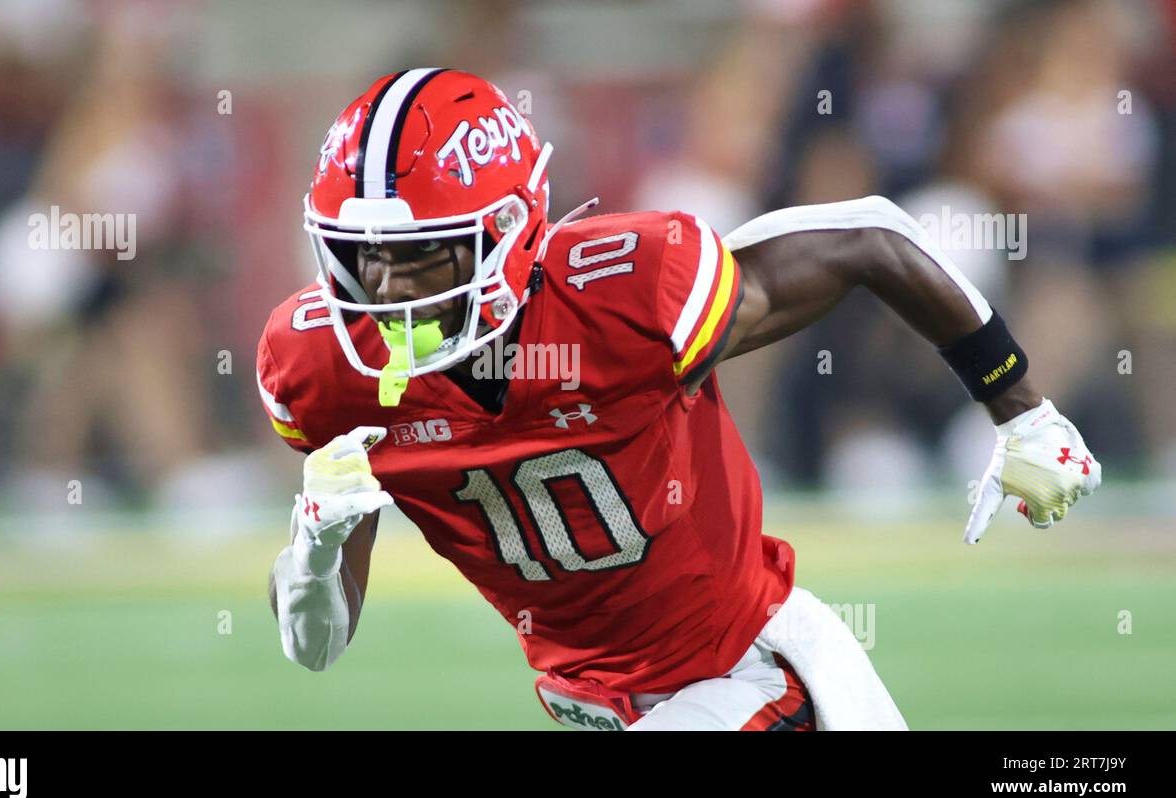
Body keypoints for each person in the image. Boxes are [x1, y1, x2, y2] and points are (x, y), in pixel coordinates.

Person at [256, 69, 1100, 730]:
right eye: (363, 254)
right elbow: (317, 647)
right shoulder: (326, 369)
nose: (387, 289)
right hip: (615, 704)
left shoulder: (622, 298)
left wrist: (1020, 408)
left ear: (508, 233)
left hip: (758, 673)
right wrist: (315, 548)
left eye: (424, 255)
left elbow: (868, 237)